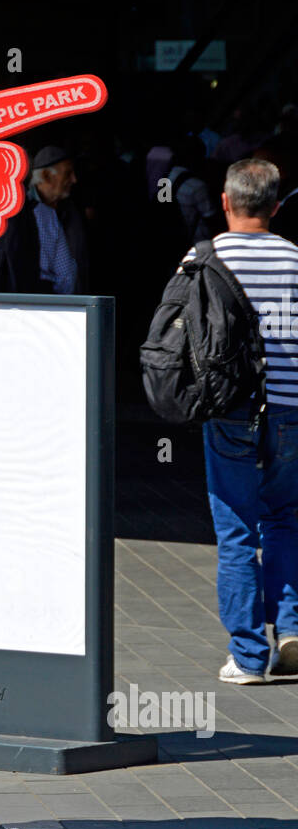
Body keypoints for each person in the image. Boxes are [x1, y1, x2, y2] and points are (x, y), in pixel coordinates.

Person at [185, 159, 298, 684]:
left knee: (235, 531)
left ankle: (249, 657)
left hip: (230, 407)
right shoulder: (296, 259)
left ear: (226, 202)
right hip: (291, 410)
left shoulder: (204, 257)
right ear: (276, 206)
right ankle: (292, 630)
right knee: (286, 519)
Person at [28, 145, 83, 294]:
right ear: (46, 175)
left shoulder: (71, 209)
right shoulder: (29, 212)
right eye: (67, 174)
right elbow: (66, 276)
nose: (74, 179)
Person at [167, 134, 221, 250]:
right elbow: (211, 219)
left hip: (172, 242)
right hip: (198, 244)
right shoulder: (198, 186)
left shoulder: (164, 179)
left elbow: (162, 209)